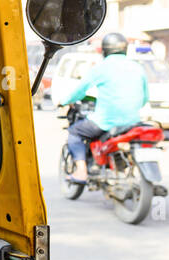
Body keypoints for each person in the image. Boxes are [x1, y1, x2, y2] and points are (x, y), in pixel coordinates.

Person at [56, 32, 149, 183]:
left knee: (75, 132)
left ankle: (81, 171)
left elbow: (80, 91)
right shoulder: (138, 67)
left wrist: (64, 101)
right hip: (133, 122)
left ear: (104, 50)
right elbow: (145, 99)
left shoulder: (101, 68)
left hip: (106, 122)